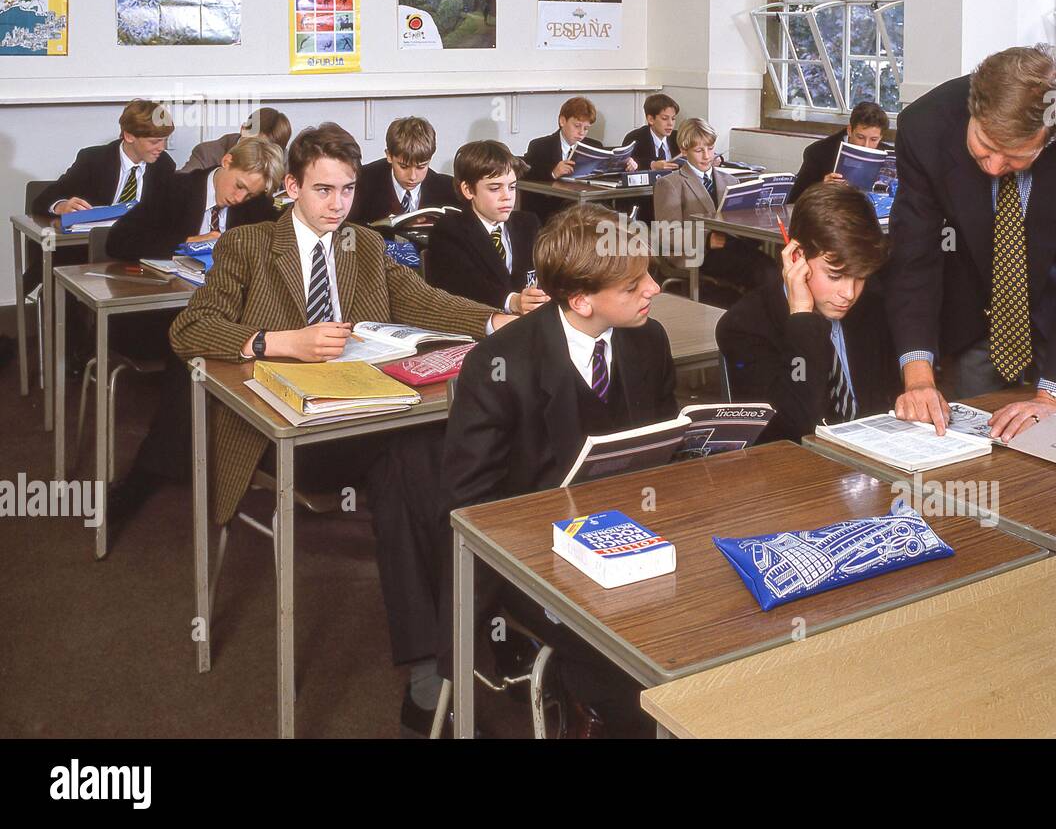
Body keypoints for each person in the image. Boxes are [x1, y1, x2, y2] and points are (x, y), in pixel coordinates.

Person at [162, 123, 512, 736]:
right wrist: (278, 342)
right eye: (323, 191)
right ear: (291, 187)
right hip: (289, 429)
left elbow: (422, 300)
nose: (338, 205)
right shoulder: (247, 247)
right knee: (414, 462)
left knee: (424, 451)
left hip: (365, 418)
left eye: (348, 190)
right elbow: (190, 330)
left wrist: (500, 317)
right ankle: (455, 651)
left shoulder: (364, 246)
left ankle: (442, 657)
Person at [431, 202, 677, 735]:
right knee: (633, 662)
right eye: (634, 285)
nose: (653, 289)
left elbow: (662, 451)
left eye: (649, 275)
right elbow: (468, 508)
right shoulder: (500, 363)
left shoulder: (649, 339)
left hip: (637, 532)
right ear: (582, 299)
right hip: (533, 557)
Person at [885, 45, 1056, 441]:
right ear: (973, 110)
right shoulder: (924, 125)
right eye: (984, 146)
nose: (995, 168)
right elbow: (915, 256)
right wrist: (917, 378)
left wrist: (1053, 398)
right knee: (973, 446)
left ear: (1051, 136)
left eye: (1015, 156)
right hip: (981, 309)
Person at [718, 182, 896, 443]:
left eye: (861, 277)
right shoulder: (744, 326)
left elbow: (884, 406)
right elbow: (793, 429)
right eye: (835, 275)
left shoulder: (874, 305)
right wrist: (802, 316)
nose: (849, 293)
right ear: (797, 256)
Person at [106, 135, 284, 260]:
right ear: (227, 162)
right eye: (239, 186)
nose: (239, 198)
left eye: (250, 194)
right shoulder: (174, 188)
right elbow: (119, 240)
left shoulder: (258, 203)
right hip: (172, 298)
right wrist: (187, 242)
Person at [653, 117, 775, 294]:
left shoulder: (731, 180)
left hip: (733, 246)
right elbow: (666, 233)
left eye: (710, 149)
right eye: (698, 150)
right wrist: (707, 239)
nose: (707, 156)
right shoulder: (670, 184)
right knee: (761, 273)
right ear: (684, 151)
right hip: (700, 252)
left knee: (772, 268)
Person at [427, 140, 548, 314]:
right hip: (478, 325)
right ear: (468, 190)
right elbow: (466, 286)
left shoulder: (528, 224)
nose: (507, 197)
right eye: (494, 188)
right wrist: (512, 301)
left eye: (512, 187)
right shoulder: (449, 230)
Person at [32, 98, 177, 216]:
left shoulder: (164, 165)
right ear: (129, 136)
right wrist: (61, 206)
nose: (162, 148)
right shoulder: (93, 160)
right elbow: (42, 201)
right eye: (154, 142)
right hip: (94, 243)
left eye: (165, 140)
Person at [522, 96, 636, 221]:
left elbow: (604, 175)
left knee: (612, 213)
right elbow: (526, 172)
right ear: (562, 121)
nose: (581, 132)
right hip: (553, 208)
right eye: (577, 126)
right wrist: (553, 172)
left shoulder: (594, 145)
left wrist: (626, 164)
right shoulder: (540, 145)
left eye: (586, 128)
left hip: (589, 204)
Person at [348, 116, 460, 226]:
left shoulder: (448, 189)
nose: (412, 176)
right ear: (389, 156)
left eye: (421, 167)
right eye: (404, 166)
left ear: (430, 159)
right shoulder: (362, 183)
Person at [788, 100, 890, 203]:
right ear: (850, 130)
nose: (866, 145)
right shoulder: (818, 152)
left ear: (881, 137)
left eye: (874, 139)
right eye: (860, 137)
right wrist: (822, 188)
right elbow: (795, 198)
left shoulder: (888, 154)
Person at [180, 108, 291, 173]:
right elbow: (181, 187)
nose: (258, 155)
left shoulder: (286, 160)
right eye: (253, 146)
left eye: (267, 152)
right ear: (243, 129)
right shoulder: (207, 154)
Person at [623, 92, 681, 170]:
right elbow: (625, 165)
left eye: (673, 119)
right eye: (664, 118)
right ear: (650, 119)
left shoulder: (679, 138)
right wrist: (652, 165)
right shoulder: (635, 138)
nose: (670, 124)